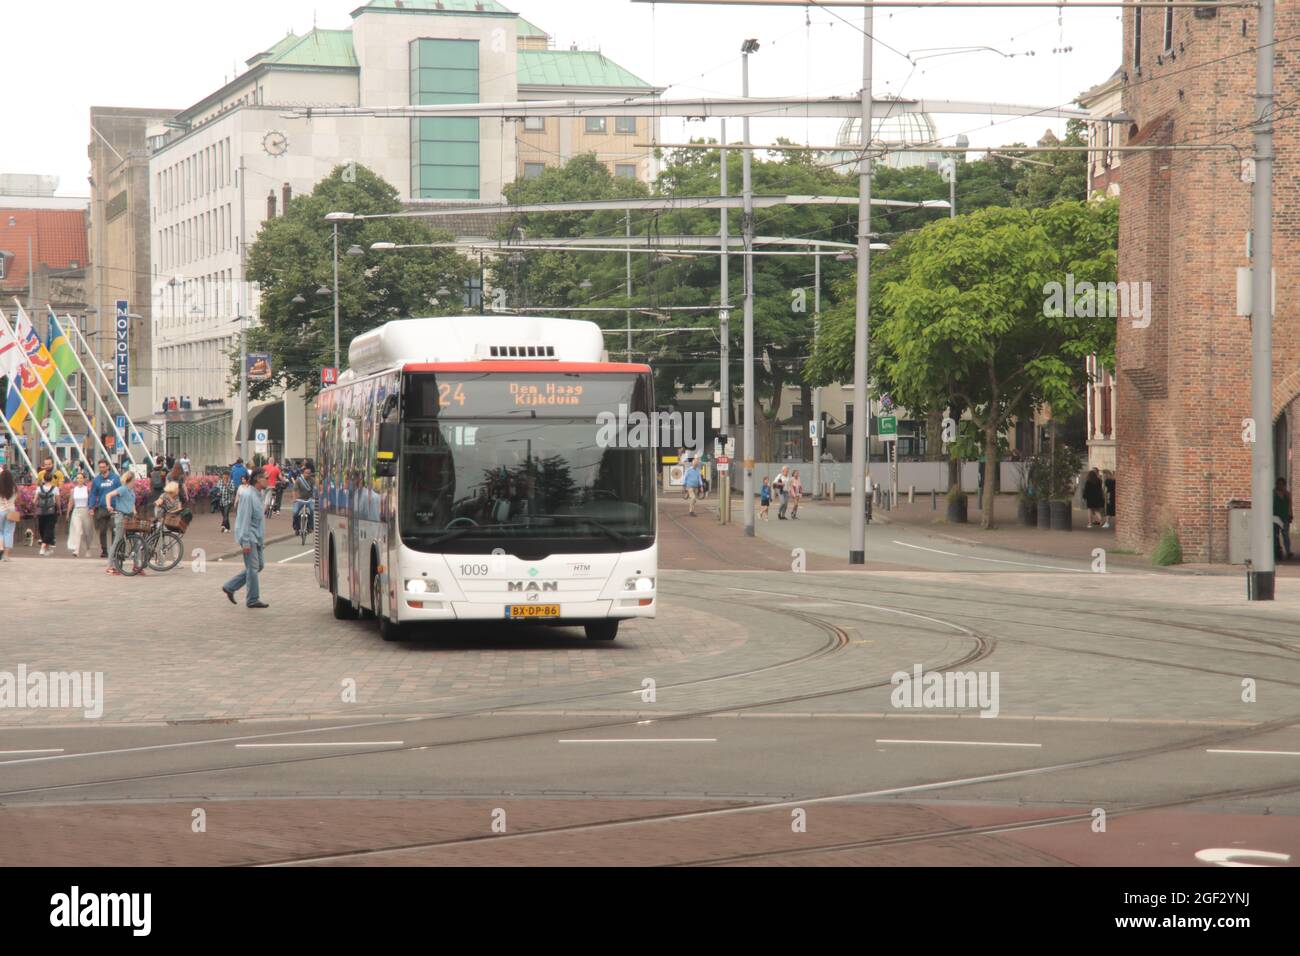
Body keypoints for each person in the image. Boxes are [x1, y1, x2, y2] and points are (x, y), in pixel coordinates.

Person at [223, 468, 269, 609]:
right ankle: (252, 599)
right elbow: (243, 520)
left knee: (257, 566)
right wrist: (246, 541)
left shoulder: (258, 494)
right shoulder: (248, 495)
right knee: (253, 568)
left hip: (256, 537)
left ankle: (230, 586)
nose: (268, 480)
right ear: (257, 479)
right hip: (249, 537)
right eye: (265, 478)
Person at [104, 468, 138, 575]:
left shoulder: (131, 491)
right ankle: (110, 566)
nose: (135, 482)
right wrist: (109, 506)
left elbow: (131, 503)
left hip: (129, 517)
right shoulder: (122, 489)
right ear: (130, 480)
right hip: (121, 516)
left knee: (136, 540)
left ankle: (137, 565)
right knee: (117, 540)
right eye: (134, 480)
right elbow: (108, 495)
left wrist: (134, 511)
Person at [88, 459, 120, 558]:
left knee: (114, 529)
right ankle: (104, 551)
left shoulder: (115, 478)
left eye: (103, 467)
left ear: (107, 467)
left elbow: (120, 491)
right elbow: (93, 494)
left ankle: (115, 550)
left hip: (114, 507)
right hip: (102, 508)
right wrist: (91, 507)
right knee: (102, 530)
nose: (101, 469)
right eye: (100, 467)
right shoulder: (97, 480)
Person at [66, 472, 96, 558]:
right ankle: (76, 550)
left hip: (85, 510)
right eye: (78, 478)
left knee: (87, 532)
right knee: (77, 531)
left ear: (84, 479)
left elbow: (91, 500)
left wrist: (91, 509)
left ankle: (88, 548)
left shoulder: (87, 489)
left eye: (81, 478)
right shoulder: (73, 490)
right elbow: (71, 502)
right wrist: (68, 513)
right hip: (76, 511)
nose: (79, 480)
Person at [34, 469, 60, 556]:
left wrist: (36, 508)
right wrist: (59, 509)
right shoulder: (55, 489)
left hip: (41, 511)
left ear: (44, 479)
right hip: (51, 511)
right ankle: (43, 547)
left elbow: (34, 501)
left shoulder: (39, 488)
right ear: (52, 479)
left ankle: (46, 547)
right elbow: (58, 501)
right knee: (49, 529)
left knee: (42, 529)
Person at [1274, 477, 1294, 561]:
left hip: (1285, 517)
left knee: (1285, 534)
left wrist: (1290, 514)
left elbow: (1289, 505)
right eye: (1279, 484)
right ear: (1277, 485)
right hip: (1275, 516)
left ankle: (1288, 551)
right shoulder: (1273, 493)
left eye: (1282, 484)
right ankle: (1276, 551)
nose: (1281, 486)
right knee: (1275, 535)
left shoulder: (1287, 494)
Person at [291, 465, 315, 533]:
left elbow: (315, 489)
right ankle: (296, 528)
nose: (308, 474)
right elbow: (294, 490)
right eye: (306, 473)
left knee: (312, 510)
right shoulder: (299, 480)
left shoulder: (312, 480)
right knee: (295, 513)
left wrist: (315, 496)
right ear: (303, 473)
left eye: (309, 473)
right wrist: (294, 498)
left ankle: (310, 527)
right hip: (300, 500)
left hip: (309, 500)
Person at [0, 469, 17, 562]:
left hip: (0, 511)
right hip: (11, 511)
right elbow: (16, 499)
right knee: (9, 532)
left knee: (0, 532)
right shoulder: (14, 488)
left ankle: (1, 548)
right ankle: (6, 555)